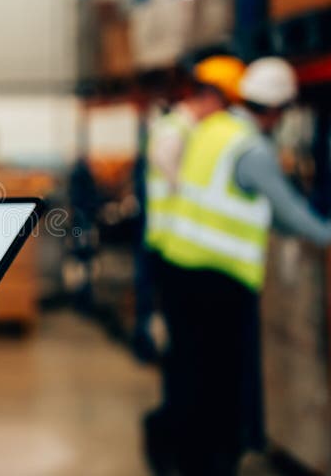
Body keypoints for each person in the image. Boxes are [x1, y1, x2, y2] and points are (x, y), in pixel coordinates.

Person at [145, 57, 331, 475]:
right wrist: (326, 233)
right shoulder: (252, 149)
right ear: (275, 110)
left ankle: (185, 458)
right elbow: (290, 213)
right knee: (220, 383)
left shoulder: (212, 131)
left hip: (180, 264)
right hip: (219, 278)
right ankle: (211, 464)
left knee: (191, 373)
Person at [135, 56, 246, 361]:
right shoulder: (176, 129)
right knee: (173, 327)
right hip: (166, 240)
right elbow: (175, 177)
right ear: (211, 97)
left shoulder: (190, 129)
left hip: (176, 240)